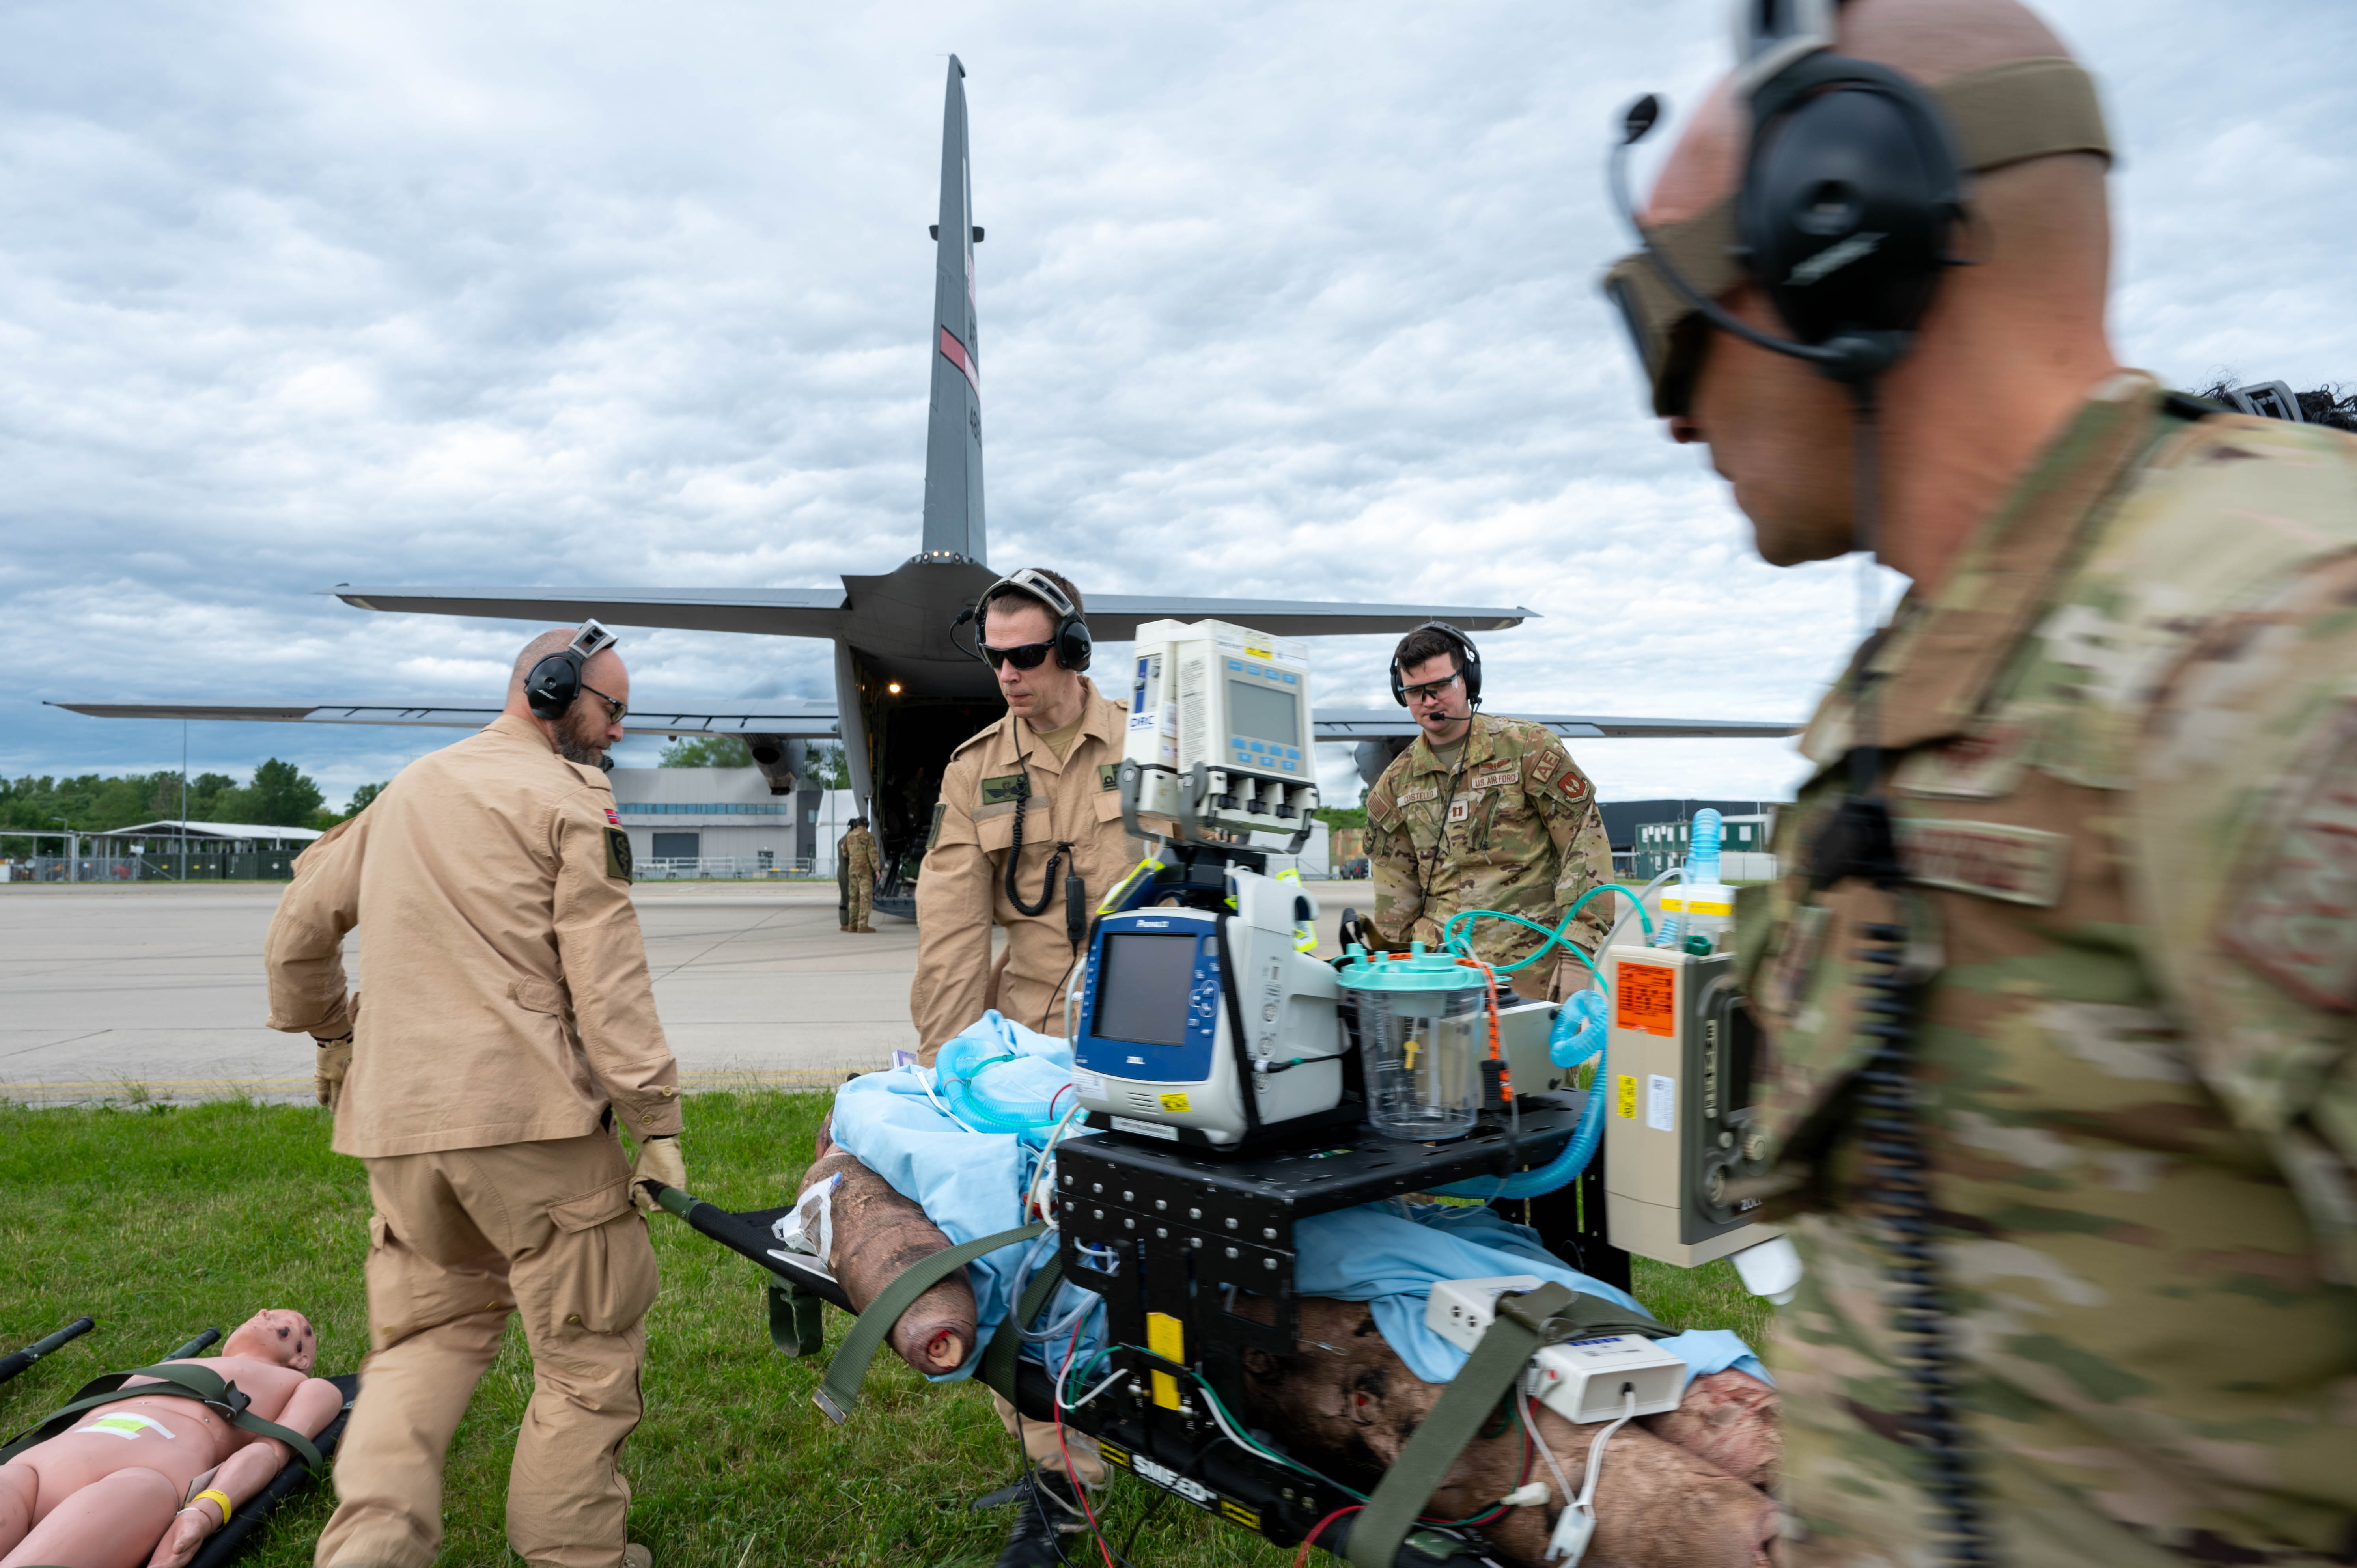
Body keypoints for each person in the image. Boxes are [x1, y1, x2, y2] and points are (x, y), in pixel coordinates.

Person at [1609, 1, 2357, 1561]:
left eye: (1672, 322)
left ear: (1844, 246)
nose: (1672, 410)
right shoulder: (1984, 666)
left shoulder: (2276, 646)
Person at [264, 622, 685, 1568]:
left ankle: (366, 1557)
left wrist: (334, 1033)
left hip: (400, 1128)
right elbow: (608, 982)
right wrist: (655, 1121)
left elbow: (296, 932)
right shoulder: (572, 798)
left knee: (419, 1347)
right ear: (550, 690)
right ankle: (579, 1558)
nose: (618, 732)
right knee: (587, 1362)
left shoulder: (411, 786)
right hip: (532, 1125)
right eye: (611, 709)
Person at [909, 567, 1132, 1566]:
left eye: (1027, 655)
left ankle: (1096, 1454)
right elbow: (950, 928)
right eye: (992, 656)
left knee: (1109, 1256)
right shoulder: (976, 768)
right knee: (1005, 1250)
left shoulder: (1145, 743)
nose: (1006, 674)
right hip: (1024, 1039)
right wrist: (941, 1071)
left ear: (1072, 651)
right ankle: (1054, 1466)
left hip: (1141, 1031)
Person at [1362, 622, 1614, 999]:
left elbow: (1583, 848)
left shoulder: (1528, 749)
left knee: (1534, 1060)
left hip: (1532, 967)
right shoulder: (1395, 784)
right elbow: (1395, 898)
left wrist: (1578, 958)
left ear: (1468, 680)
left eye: (1440, 686)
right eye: (1414, 692)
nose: (1429, 701)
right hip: (1442, 976)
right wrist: (1392, 971)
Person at [0, 1310, 342, 1568]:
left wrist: (205, 1512)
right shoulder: (166, 1367)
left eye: (288, 1323)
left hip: (141, 1479)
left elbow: (273, 1451)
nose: (265, 1314)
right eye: (266, 1311)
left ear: (302, 1358)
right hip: (36, 1465)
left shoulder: (306, 1386)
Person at [841, 817, 880, 933]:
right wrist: (877, 870)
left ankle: (852, 925)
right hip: (864, 871)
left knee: (853, 898)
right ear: (866, 825)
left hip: (852, 870)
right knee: (865, 898)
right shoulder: (868, 836)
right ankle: (863, 925)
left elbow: (845, 854)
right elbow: (872, 854)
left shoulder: (849, 836)